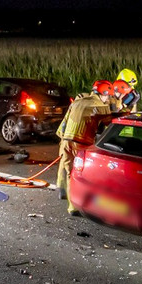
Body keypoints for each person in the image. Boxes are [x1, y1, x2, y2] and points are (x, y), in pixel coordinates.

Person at [55, 80, 114, 214]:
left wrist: (63, 140)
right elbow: (110, 124)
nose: (108, 99)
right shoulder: (101, 106)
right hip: (81, 144)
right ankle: (85, 204)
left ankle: (71, 205)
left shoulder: (76, 102)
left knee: (69, 173)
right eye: (108, 96)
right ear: (104, 94)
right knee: (82, 175)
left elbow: (64, 124)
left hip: (65, 142)